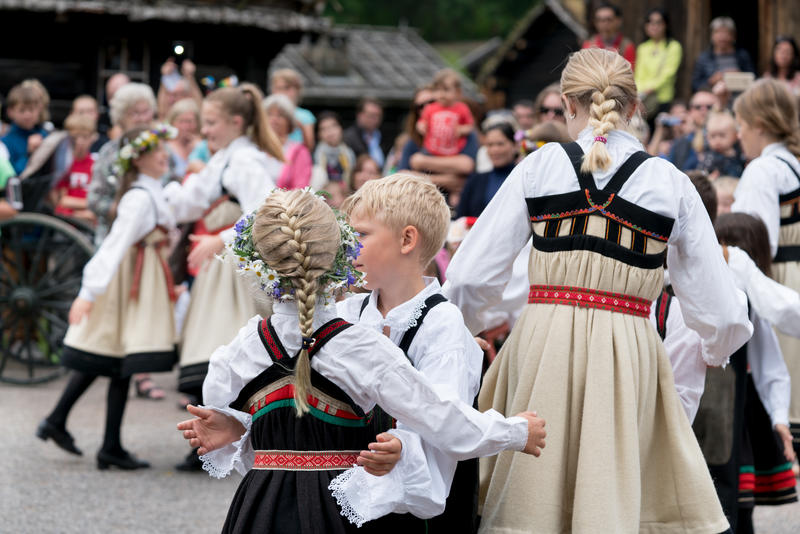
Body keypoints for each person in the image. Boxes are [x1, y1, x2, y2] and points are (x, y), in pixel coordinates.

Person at [444, 48, 753, 532]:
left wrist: (463, 329)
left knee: (531, 500)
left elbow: (467, 277)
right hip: (627, 351)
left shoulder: (539, 167)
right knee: (612, 498)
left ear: (568, 103)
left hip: (541, 347)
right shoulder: (669, 182)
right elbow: (720, 308)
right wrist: (718, 345)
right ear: (636, 106)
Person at [176, 188, 546, 533]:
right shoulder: (357, 338)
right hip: (337, 510)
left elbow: (229, 400)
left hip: (262, 507)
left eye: (362, 235)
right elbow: (442, 418)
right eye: (352, 237)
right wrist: (515, 431)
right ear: (335, 255)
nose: (356, 246)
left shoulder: (247, 344)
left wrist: (239, 428)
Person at [327, 174, 482, 531]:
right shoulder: (346, 314)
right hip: (345, 490)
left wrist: (403, 446)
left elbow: (446, 416)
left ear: (407, 239)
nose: (350, 246)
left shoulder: (441, 323)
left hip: (411, 511)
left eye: (362, 234)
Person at [36, 125, 179, 470]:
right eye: (157, 150)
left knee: (114, 359)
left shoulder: (152, 191)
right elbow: (113, 246)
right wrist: (88, 293)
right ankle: (99, 441)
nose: (165, 155)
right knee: (111, 356)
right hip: (125, 280)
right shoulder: (138, 198)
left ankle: (94, 437)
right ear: (139, 158)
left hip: (139, 277)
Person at [163, 84, 283, 471]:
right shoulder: (225, 158)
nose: (205, 131)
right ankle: (211, 440)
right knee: (214, 349)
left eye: (211, 123)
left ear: (236, 122)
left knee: (226, 349)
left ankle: (229, 439)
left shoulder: (246, 160)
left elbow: (266, 214)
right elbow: (189, 198)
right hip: (220, 269)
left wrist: (220, 236)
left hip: (235, 271)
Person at [699, 213, 797, 531]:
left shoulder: (732, 267)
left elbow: (769, 362)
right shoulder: (732, 266)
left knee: (731, 503)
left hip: (730, 410)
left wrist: (779, 416)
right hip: (724, 410)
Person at [731, 78, 800, 459]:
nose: (739, 136)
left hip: (781, 284)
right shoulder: (793, 165)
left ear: (758, 125)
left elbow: (756, 243)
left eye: (740, 126)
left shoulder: (763, 170)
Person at [88, 82, 158, 245]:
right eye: (134, 113)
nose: (141, 118)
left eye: (145, 111)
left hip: (154, 239)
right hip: (115, 236)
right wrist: (125, 211)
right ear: (121, 117)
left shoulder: (161, 149)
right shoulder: (109, 152)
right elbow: (94, 200)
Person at [456, 123, 517, 219]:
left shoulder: (523, 179)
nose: (495, 149)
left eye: (500, 144)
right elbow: (461, 219)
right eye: (490, 145)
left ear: (514, 145)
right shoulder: (475, 180)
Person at [635, 9, 682, 121]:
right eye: (650, 23)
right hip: (642, 98)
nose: (654, 26)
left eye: (658, 23)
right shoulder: (643, 47)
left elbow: (668, 73)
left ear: (665, 25)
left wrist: (649, 89)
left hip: (662, 98)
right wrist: (638, 94)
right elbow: (638, 74)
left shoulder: (673, 46)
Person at [416, 69, 475, 157]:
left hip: (454, 151)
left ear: (458, 92)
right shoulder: (430, 108)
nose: (441, 94)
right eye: (438, 90)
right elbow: (422, 121)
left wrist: (462, 129)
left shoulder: (462, 108)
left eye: (446, 90)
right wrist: (421, 126)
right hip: (431, 149)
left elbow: (470, 126)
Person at [52, 114, 97, 224]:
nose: (79, 142)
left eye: (85, 137)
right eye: (75, 137)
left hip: (90, 221)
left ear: (93, 138)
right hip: (66, 221)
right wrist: (86, 208)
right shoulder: (63, 164)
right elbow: (61, 200)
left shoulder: (96, 165)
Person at [691, 17, 755, 93]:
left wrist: (740, 76)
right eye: (718, 32)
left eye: (726, 33)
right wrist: (711, 81)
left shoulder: (742, 56)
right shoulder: (704, 58)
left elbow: (755, 81)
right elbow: (695, 85)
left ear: (733, 36)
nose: (722, 37)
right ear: (712, 36)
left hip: (739, 99)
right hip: (713, 99)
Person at [263, 93, 312, 190]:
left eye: (280, 115)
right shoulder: (253, 147)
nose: (274, 119)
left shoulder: (299, 151)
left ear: (289, 122)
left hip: (284, 203)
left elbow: (300, 190)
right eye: (269, 114)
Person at [1, 79, 49, 175]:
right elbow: (12, 177)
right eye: (22, 110)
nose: (27, 115)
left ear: (39, 110)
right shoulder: (5, 142)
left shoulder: (45, 135)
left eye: (31, 110)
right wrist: (28, 154)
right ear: (10, 112)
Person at [668, 90, 718, 171]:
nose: (703, 111)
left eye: (709, 107)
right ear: (690, 111)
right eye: (698, 107)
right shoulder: (681, 142)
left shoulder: (725, 135)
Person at [269, 68, 316, 150]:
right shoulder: (266, 113)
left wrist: (300, 126)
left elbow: (309, 146)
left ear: (297, 90)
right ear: (273, 90)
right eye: (279, 88)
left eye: (287, 88)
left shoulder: (305, 115)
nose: (282, 92)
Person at [582, 3, 636, 70]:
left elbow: (630, 73)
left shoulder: (626, 46)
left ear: (618, 21)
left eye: (608, 19)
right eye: (599, 20)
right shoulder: (589, 45)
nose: (604, 23)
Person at [696, 111, 745, 178]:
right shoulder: (708, 155)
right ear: (707, 137)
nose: (717, 140)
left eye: (722, 135)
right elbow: (701, 172)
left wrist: (732, 158)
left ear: (735, 136)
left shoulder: (739, 154)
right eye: (713, 136)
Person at [313, 111, 356, 186]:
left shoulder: (350, 153)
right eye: (323, 129)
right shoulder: (313, 155)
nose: (330, 132)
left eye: (334, 126)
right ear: (318, 134)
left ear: (341, 128)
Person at [165, 98, 202, 179]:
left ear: (198, 122)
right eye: (181, 121)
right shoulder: (166, 147)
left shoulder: (203, 145)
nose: (185, 127)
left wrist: (199, 146)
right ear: (172, 122)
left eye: (189, 121)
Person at [157, 57, 203, 121]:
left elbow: (199, 104)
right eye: (174, 95)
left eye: (181, 94)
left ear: (189, 96)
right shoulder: (166, 116)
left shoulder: (193, 114)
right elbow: (161, 109)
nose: (176, 99)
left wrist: (190, 76)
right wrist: (165, 76)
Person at [344, 97, 385, 167]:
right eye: (371, 115)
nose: (375, 119)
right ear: (359, 115)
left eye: (378, 116)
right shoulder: (349, 137)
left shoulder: (381, 135)